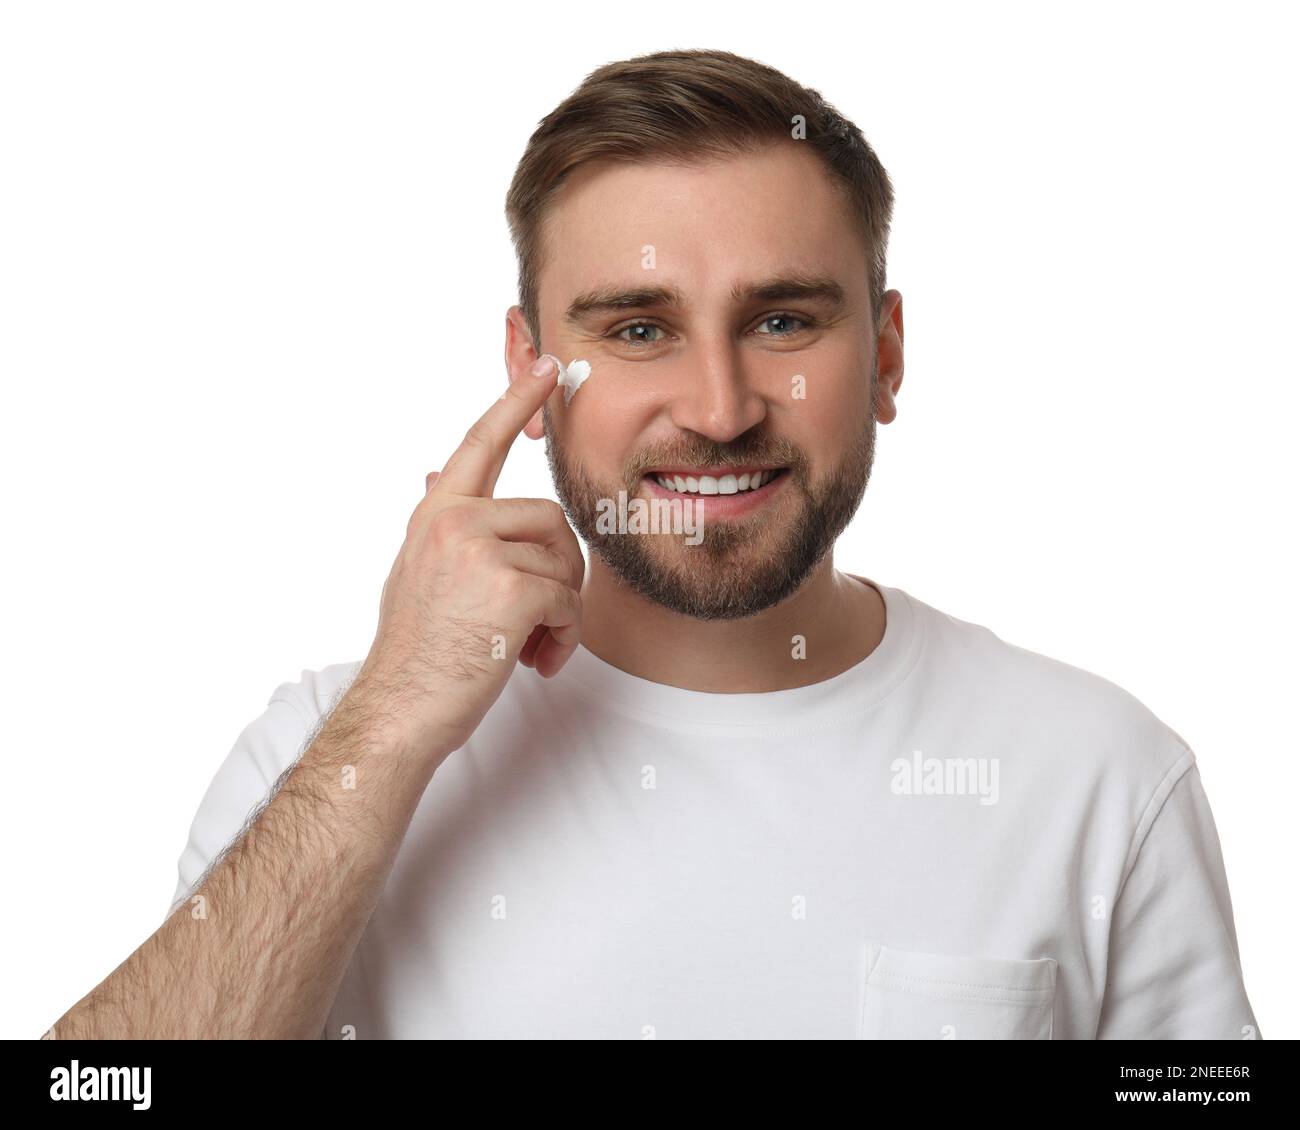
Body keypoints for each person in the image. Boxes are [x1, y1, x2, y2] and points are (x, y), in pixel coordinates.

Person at [44, 48, 1258, 1040]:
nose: (720, 406)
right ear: (531, 369)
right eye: (636, 328)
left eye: (783, 318)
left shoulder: (1100, 775)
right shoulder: (331, 755)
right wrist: (402, 702)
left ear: (885, 353)